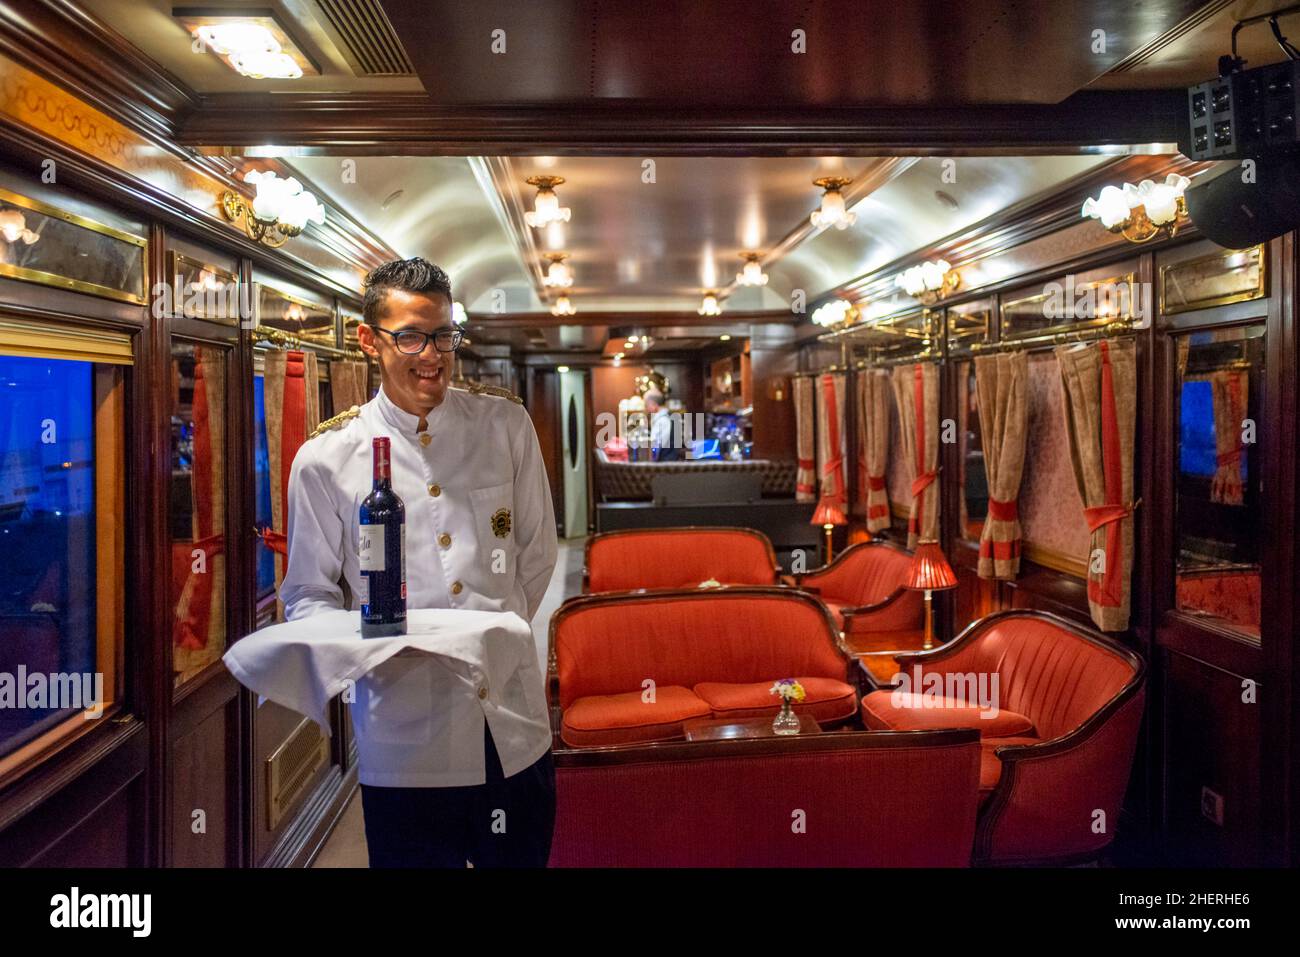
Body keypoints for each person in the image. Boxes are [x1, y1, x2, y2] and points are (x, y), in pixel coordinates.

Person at [280, 258, 558, 867]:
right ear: (368, 340)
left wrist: (490, 639)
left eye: (443, 334)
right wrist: (366, 649)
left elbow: (536, 556)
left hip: (509, 726)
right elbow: (307, 593)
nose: (431, 354)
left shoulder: (505, 425)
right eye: (410, 335)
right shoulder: (325, 458)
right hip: (404, 740)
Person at [644, 388, 682, 461]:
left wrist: (651, 466)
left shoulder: (661, 421)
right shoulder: (669, 417)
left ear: (653, 404)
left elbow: (654, 448)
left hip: (663, 467)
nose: (646, 409)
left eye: (646, 405)